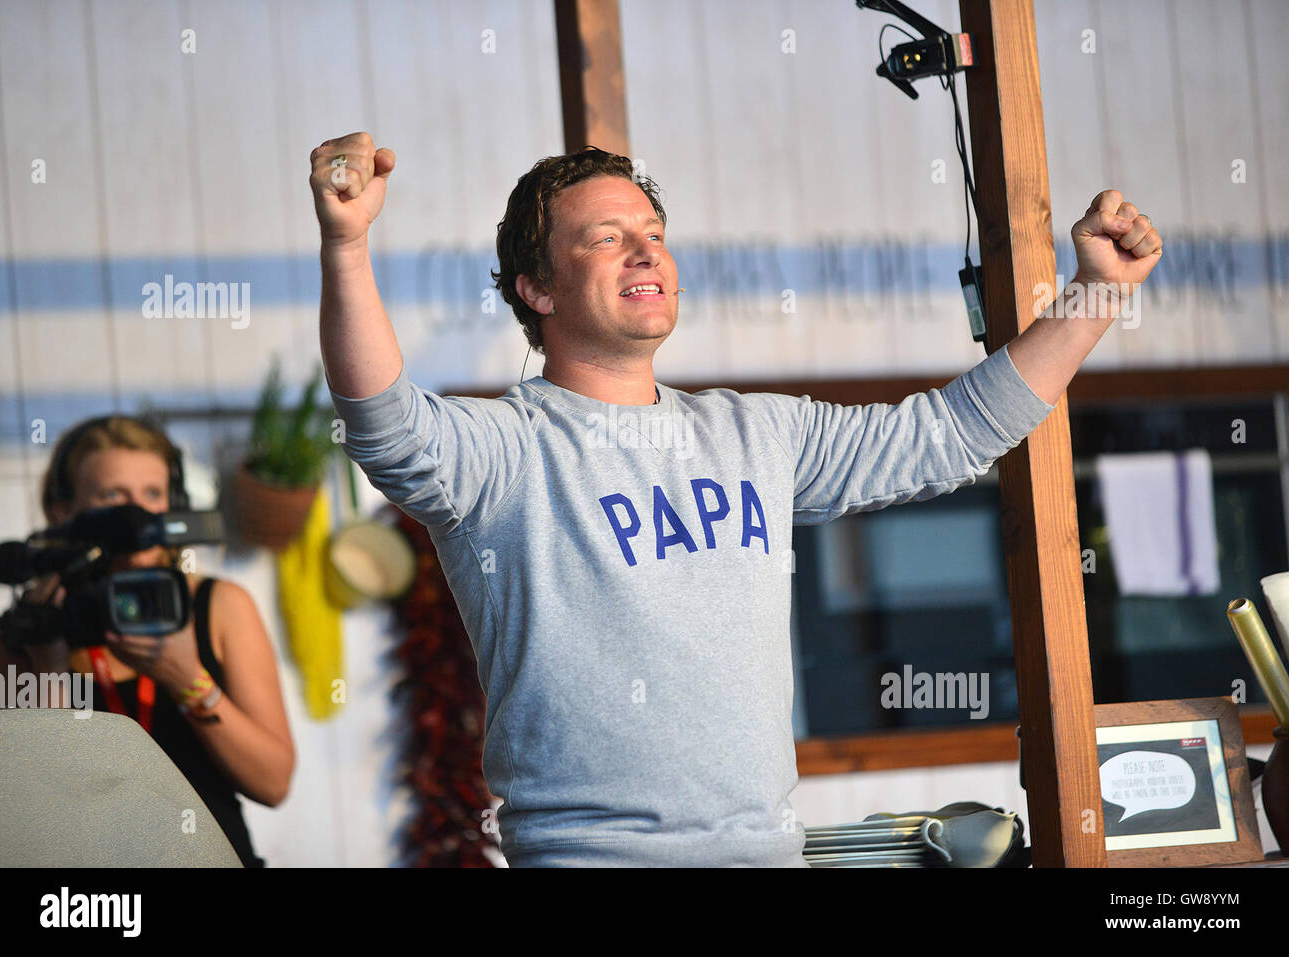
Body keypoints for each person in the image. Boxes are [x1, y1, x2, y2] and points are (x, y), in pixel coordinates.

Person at [309, 132, 1162, 867]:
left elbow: (949, 434)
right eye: (606, 238)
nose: (645, 251)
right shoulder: (506, 450)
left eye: (653, 233)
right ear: (537, 288)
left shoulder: (757, 433)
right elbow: (385, 423)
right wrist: (346, 245)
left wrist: (1098, 293)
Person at [0, 415, 295, 867]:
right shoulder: (31, 627)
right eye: (113, 496)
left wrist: (188, 681)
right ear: (63, 511)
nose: (136, 516)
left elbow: (273, 783)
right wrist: (50, 668)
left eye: (152, 494)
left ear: (174, 503)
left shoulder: (220, 606)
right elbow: (22, 807)